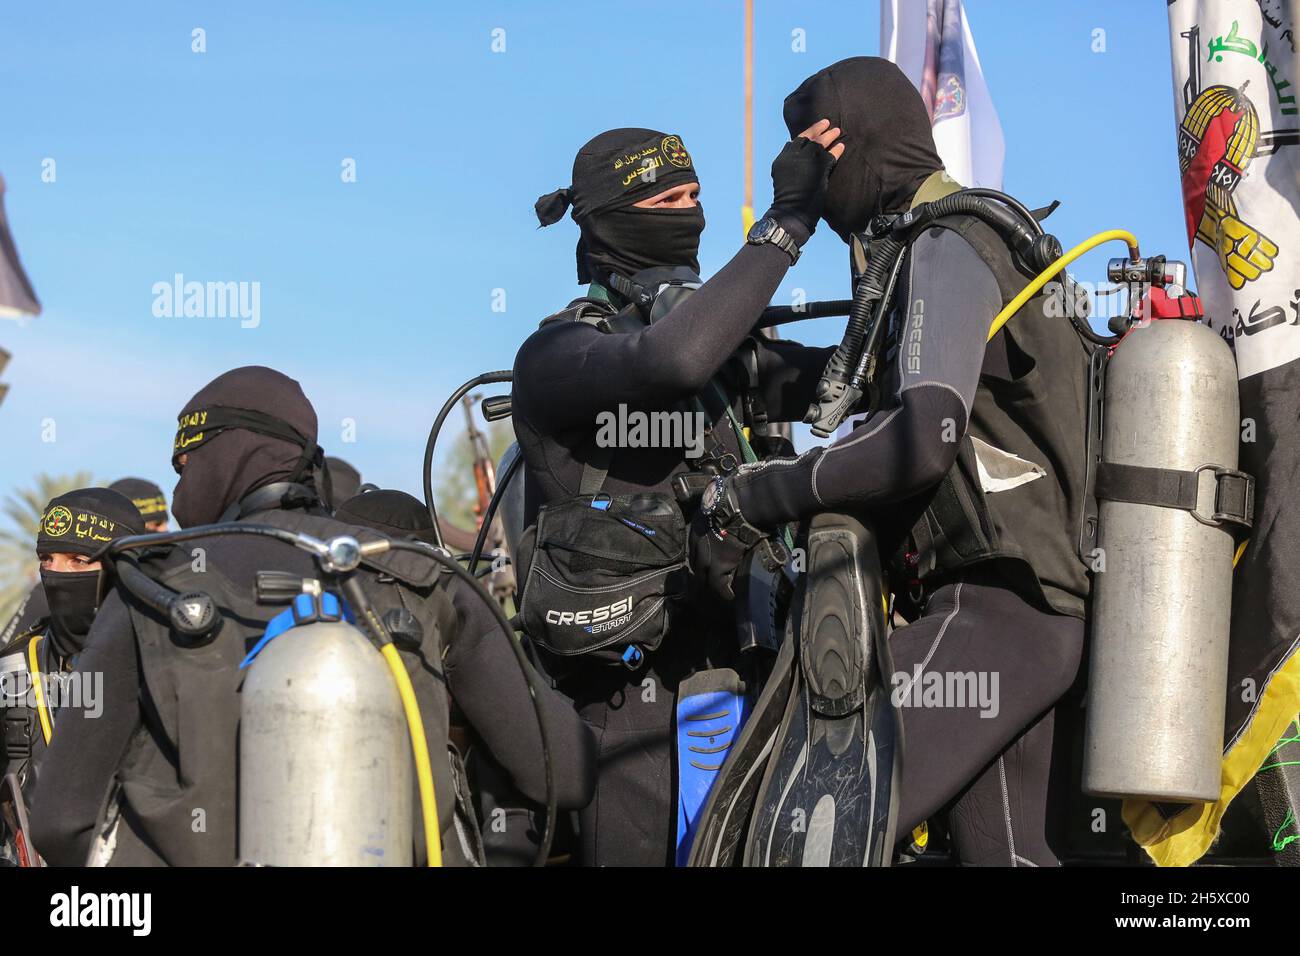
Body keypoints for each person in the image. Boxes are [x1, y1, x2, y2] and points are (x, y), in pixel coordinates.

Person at [698, 57, 1090, 866]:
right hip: (1037, 620)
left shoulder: (948, 242)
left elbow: (919, 441)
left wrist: (757, 494)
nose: (803, 175)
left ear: (851, 147)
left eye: (810, 155)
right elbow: (873, 388)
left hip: (994, 612)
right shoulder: (969, 242)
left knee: (804, 832)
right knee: (1007, 855)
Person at [30, 366, 594, 866]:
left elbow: (60, 822)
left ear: (225, 454)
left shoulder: (146, 584)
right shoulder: (421, 575)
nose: (180, 487)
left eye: (185, 463)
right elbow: (564, 770)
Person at [513, 123, 841, 865]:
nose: (688, 215)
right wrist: (789, 224)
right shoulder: (557, 356)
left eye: (695, 196)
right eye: (666, 200)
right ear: (606, 222)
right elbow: (673, 359)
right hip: (627, 711)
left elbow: (852, 376)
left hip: (750, 683)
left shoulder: (731, 366)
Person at [0, 488, 142, 864]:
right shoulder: (14, 664)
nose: (58, 574)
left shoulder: (159, 663)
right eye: (47, 558)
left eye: (79, 560)